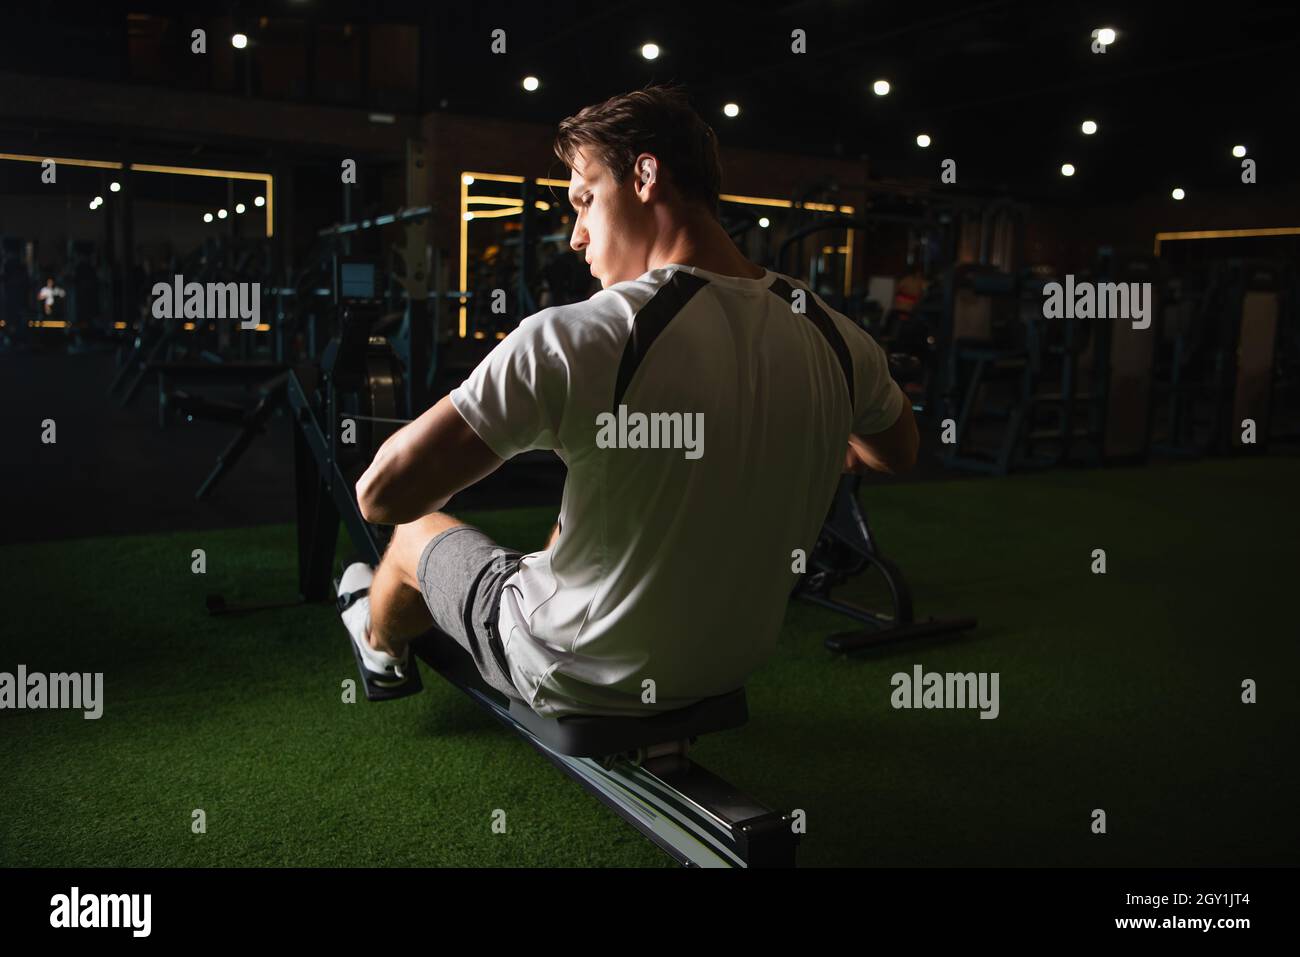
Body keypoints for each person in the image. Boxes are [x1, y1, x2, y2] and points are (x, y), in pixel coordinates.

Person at [338, 83, 918, 717]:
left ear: (644, 176)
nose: (577, 237)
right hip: (734, 663)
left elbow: (381, 494)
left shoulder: (579, 335)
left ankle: (379, 646)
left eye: (586, 201)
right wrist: (771, 437)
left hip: (574, 669)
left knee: (416, 532)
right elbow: (895, 453)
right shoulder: (836, 335)